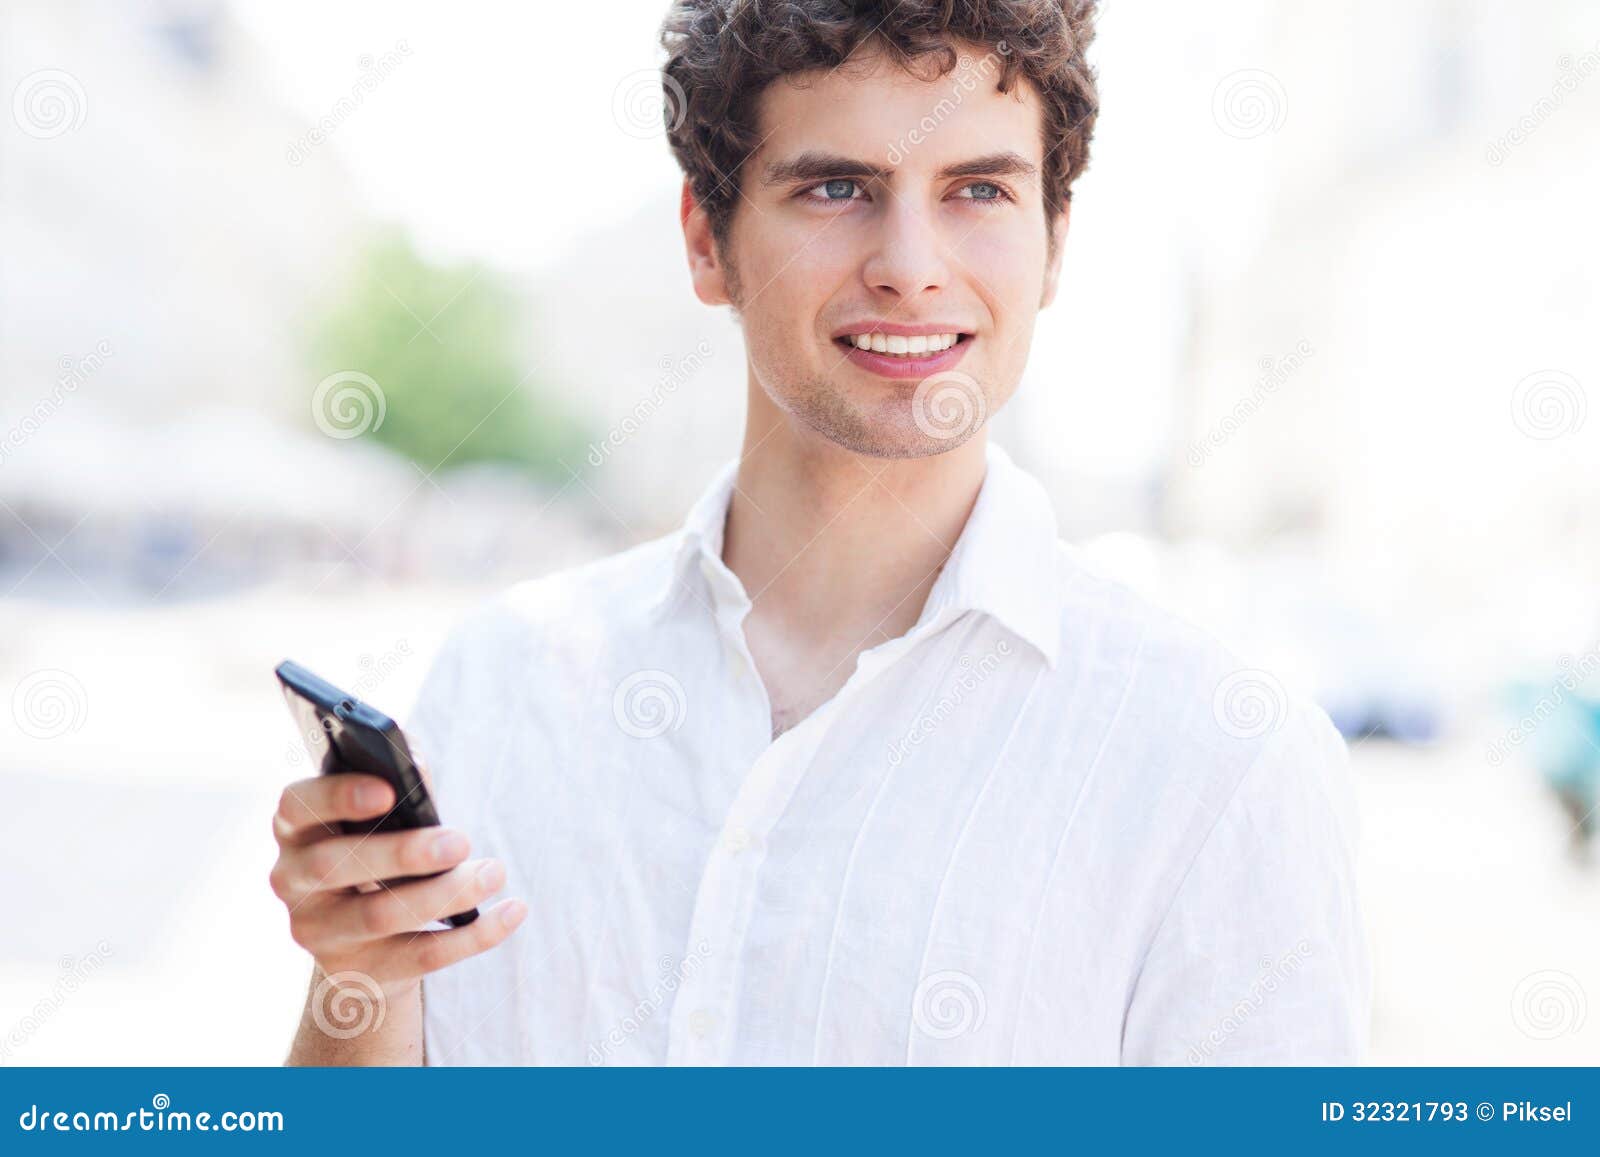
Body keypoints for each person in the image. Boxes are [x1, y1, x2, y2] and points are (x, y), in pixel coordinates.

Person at [271, 0, 1369, 1066]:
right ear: (708, 243)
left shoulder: (1222, 767)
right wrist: (358, 975)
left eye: (979, 189)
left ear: (1053, 244)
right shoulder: (498, 686)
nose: (909, 263)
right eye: (837, 187)